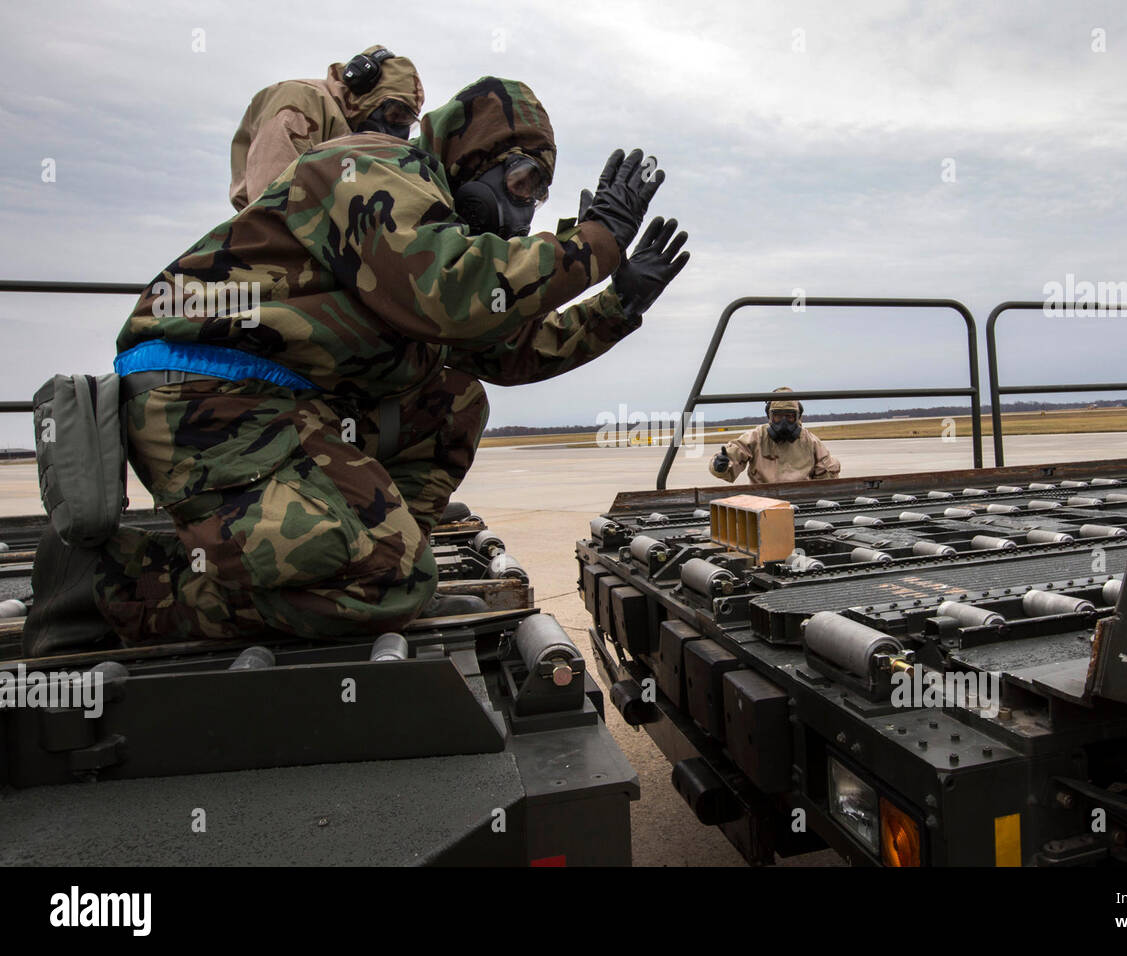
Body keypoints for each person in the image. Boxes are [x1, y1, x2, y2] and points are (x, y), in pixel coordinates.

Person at [24, 76, 688, 655]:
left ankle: (379, 558)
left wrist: (619, 303)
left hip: (278, 402)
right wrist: (594, 240)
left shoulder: (438, 232)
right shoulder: (374, 169)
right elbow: (455, 293)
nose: (525, 210)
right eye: (520, 183)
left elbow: (502, 352)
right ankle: (113, 588)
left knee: (453, 397)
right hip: (205, 395)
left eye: (539, 194)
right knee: (389, 582)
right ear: (471, 158)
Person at [228, 45, 424, 210]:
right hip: (279, 246)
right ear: (363, 89)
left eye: (407, 122)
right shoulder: (301, 101)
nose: (399, 132)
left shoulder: (348, 130)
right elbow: (273, 203)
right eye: (395, 114)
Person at [709, 387, 841, 484]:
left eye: (789, 416)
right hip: (763, 498)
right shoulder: (756, 437)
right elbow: (734, 454)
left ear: (797, 417)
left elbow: (826, 478)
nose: (783, 422)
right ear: (769, 416)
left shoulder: (810, 441)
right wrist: (721, 465)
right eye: (778, 416)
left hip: (801, 497)